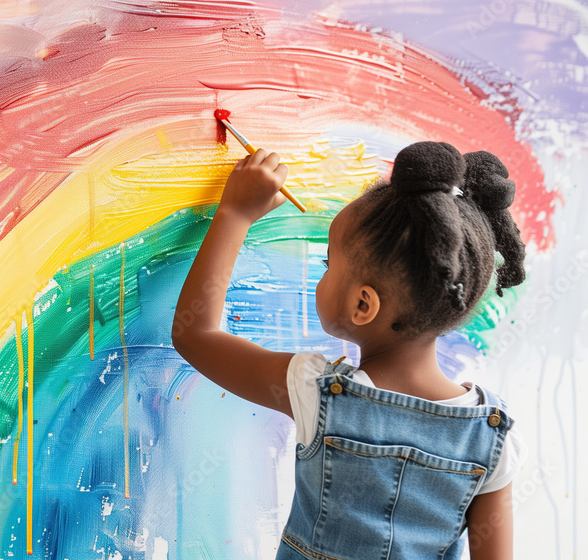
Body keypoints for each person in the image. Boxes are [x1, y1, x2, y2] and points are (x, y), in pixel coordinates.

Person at [171, 141, 528, 559]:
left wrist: (235, 214)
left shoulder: (314, 393)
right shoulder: (493, 439)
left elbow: (195, 334)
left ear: (363, 305)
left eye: (327, 265)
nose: (321, 276)